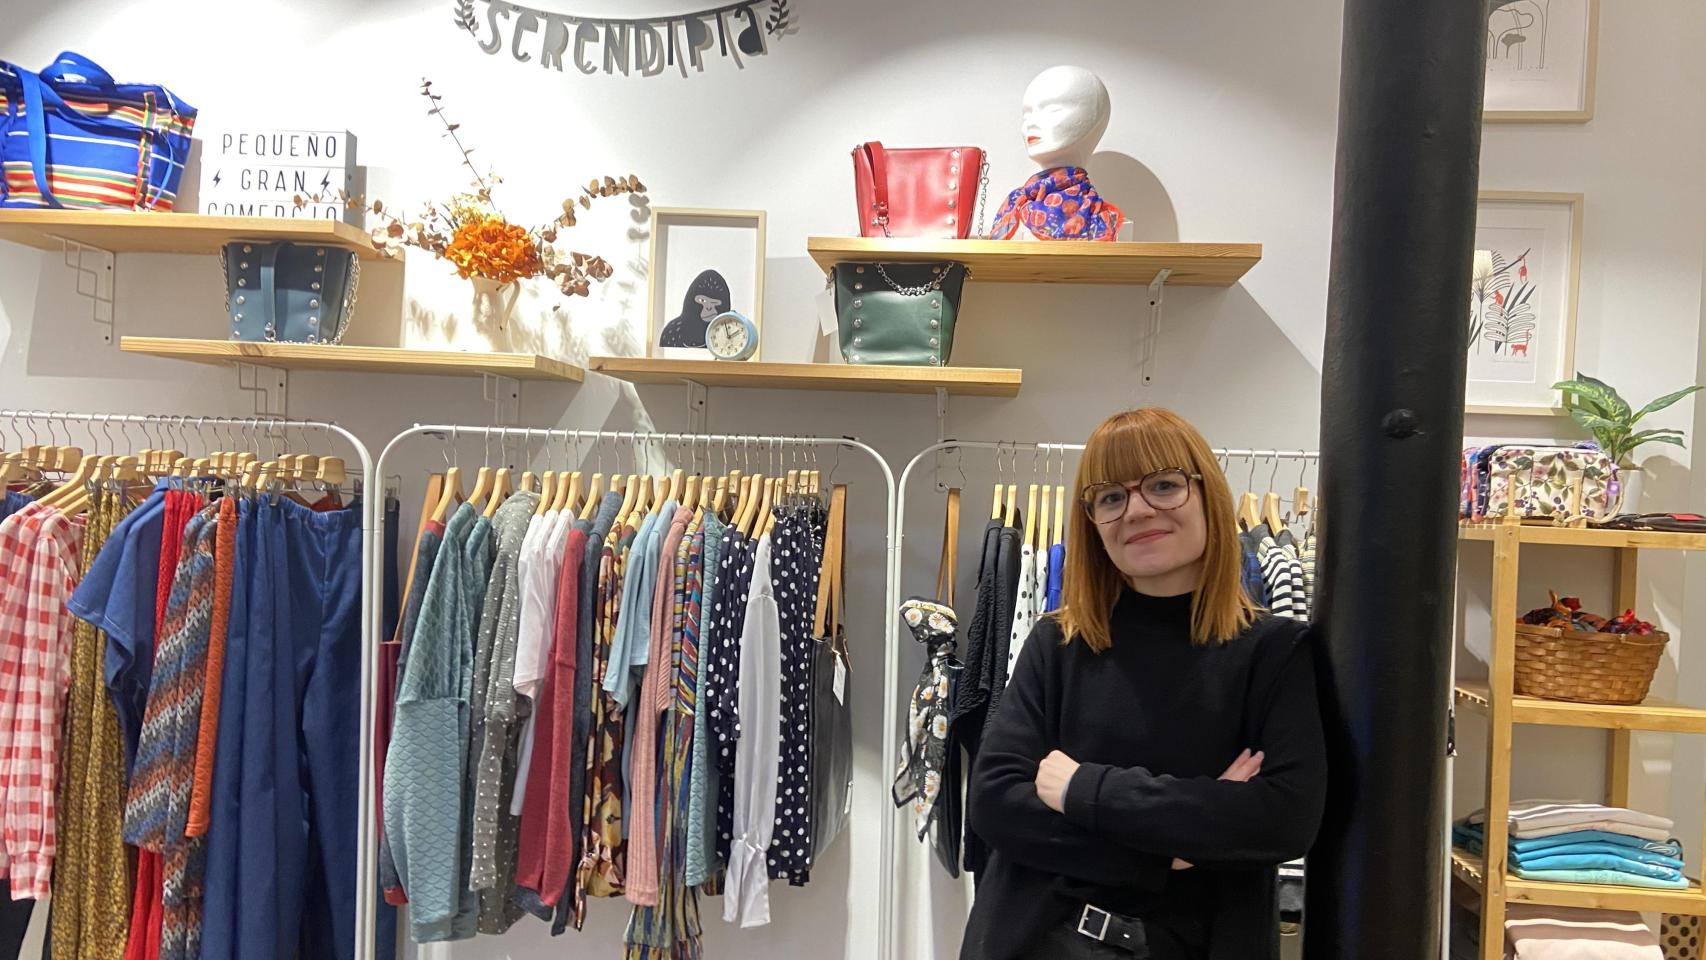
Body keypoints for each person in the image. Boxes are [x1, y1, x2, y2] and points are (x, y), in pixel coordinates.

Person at [961, 407, 1327, 960]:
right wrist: (1168, 851)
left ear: (1206, 495)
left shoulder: (1275, 651)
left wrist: (1084, 790)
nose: (1137, 509)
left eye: (1163, 485)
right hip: (1037, 942)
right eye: (1111, 497)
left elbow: (1282, 818)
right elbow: (996, 803)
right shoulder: (1058, 644)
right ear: (1093, 523)